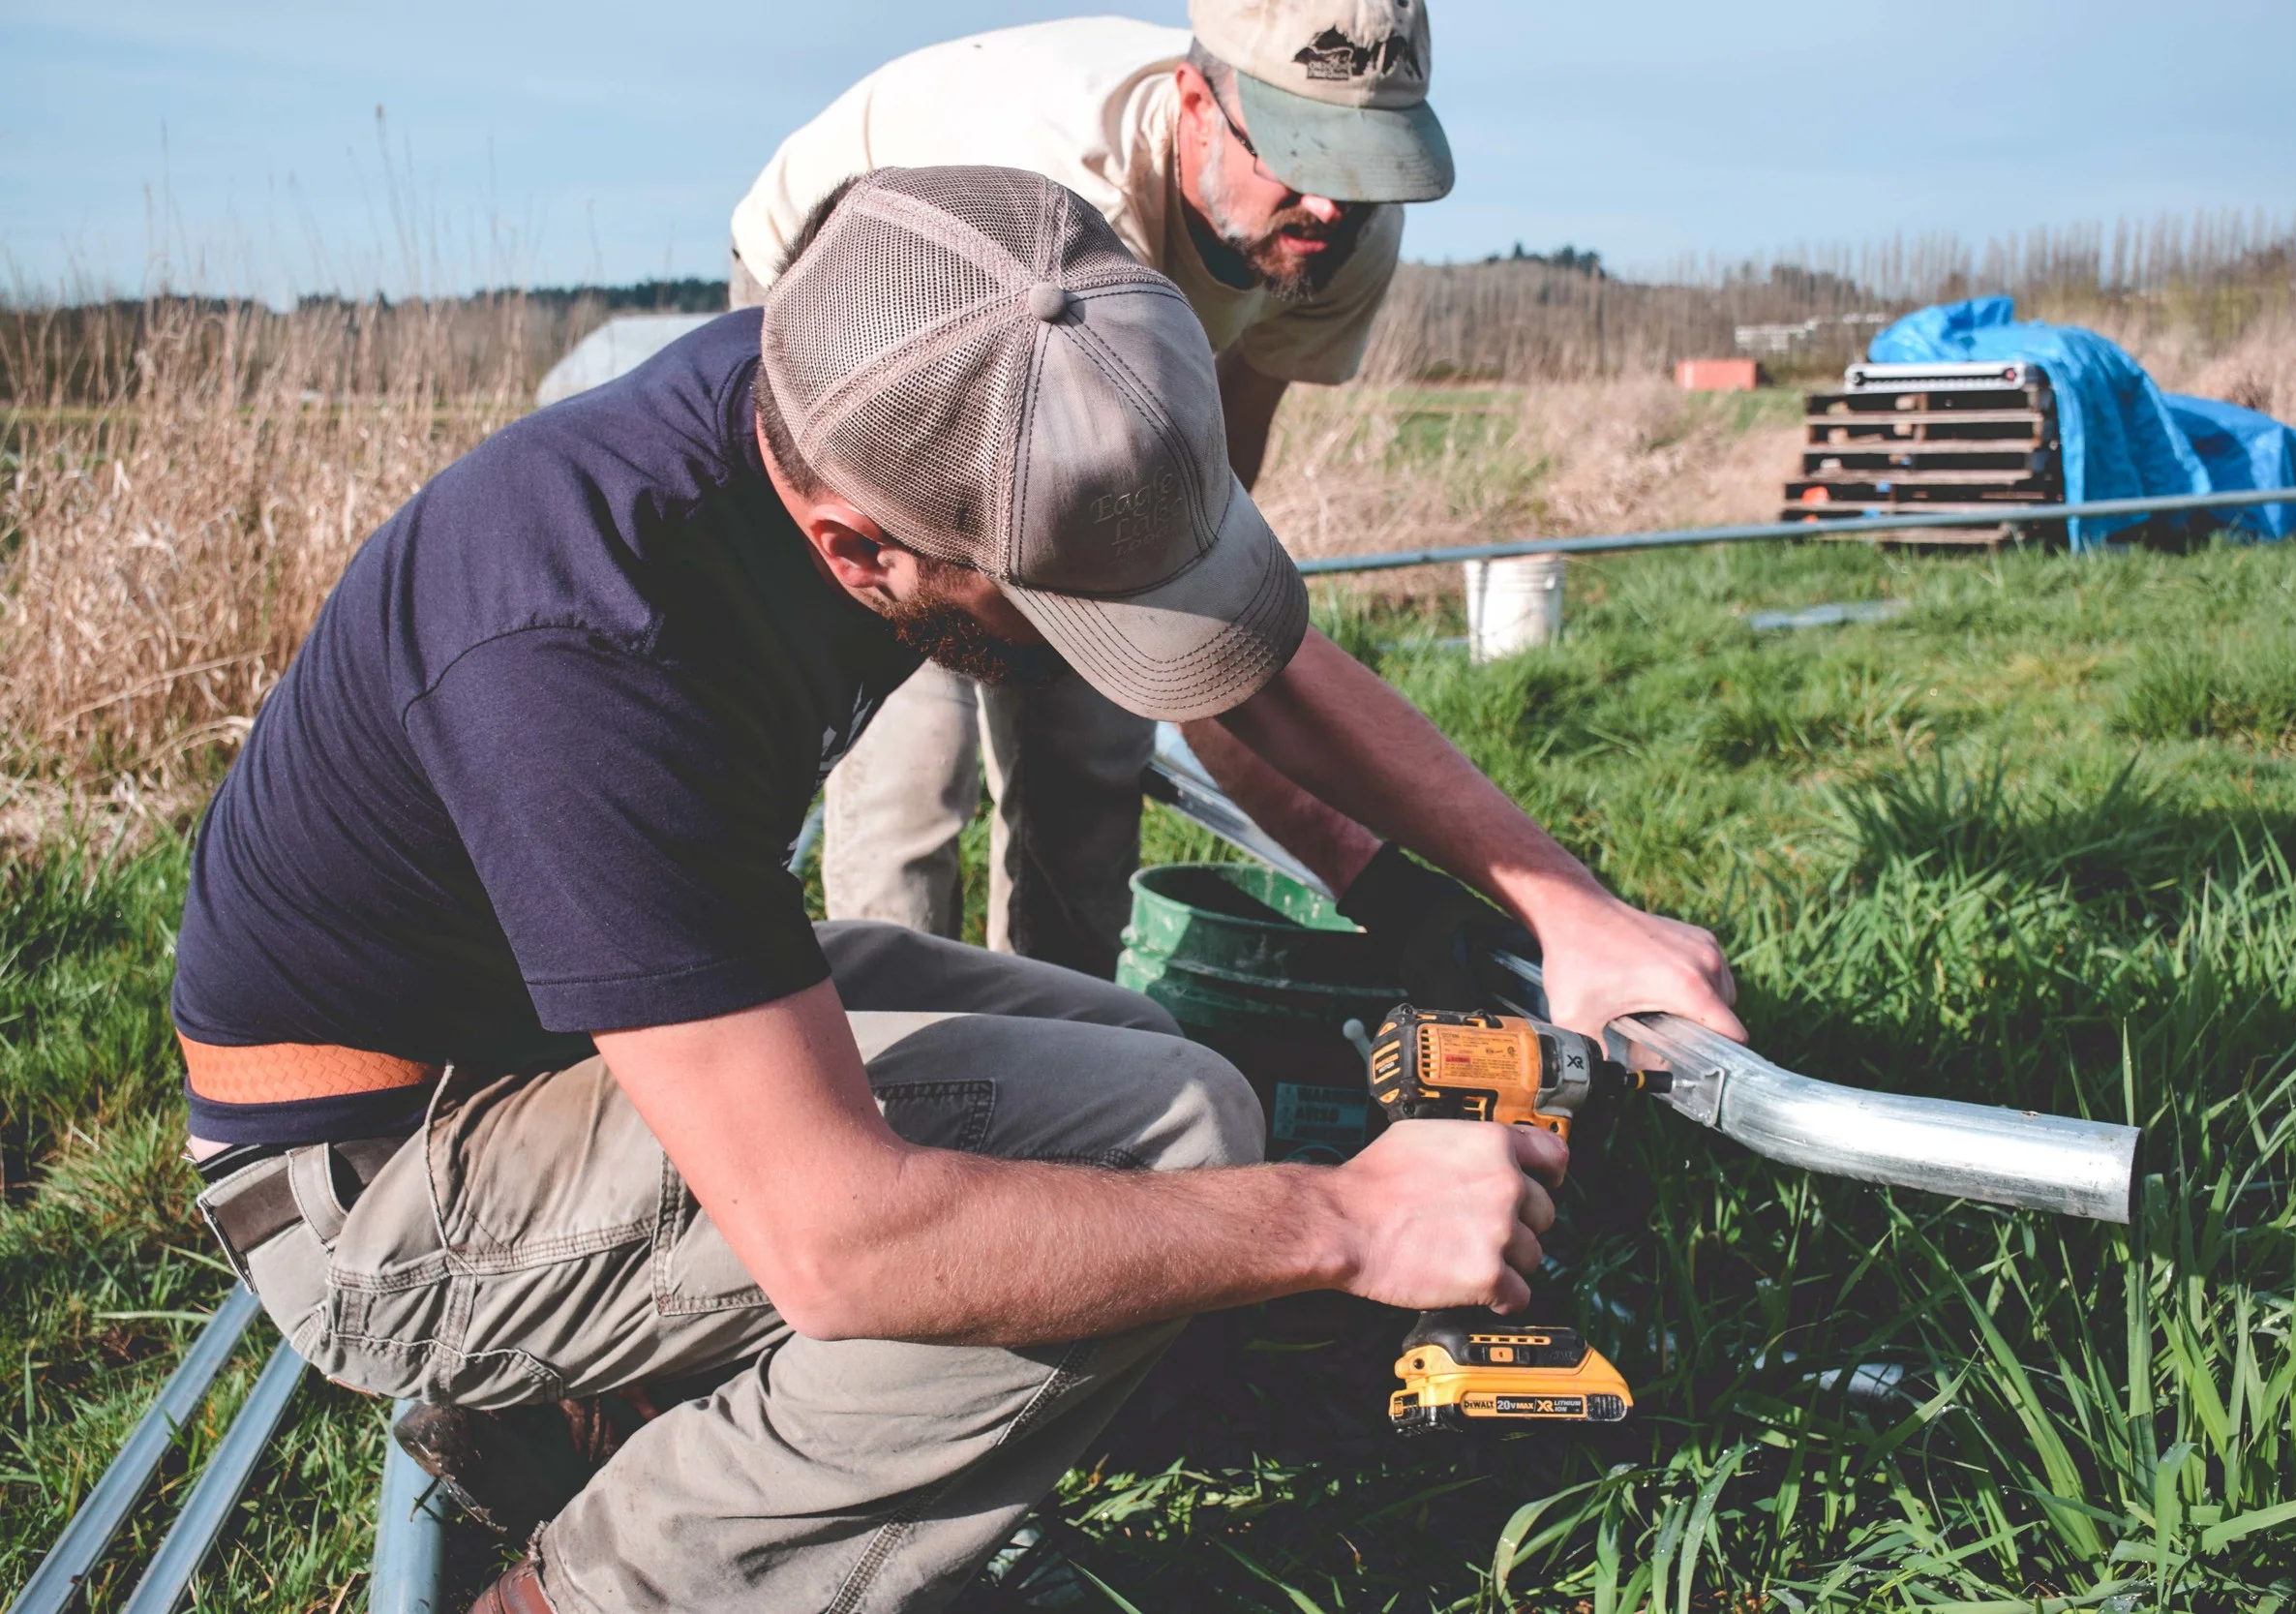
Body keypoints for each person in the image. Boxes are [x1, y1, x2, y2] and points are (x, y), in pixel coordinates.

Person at [176, 167, 1744, 1614]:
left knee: (1159, 1073)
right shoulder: (580, 645)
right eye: (1062, 611)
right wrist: (1349, 1223)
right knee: (1160, 1150)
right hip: (383, 1167)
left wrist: (1561, 905)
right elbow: (844, 1241)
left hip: (563, 1023)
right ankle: (581, 1587)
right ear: (861, 551)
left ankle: (616, 1402)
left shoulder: (898, 387)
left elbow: (1257, 670)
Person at [729, 0, 1454, 977]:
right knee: (915, 731)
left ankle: (1069, 1037)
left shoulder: (1341, 232)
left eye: (1363, 166)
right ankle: (906, 1042)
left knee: (1093, 740)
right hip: (875, 327)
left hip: (1070, 343)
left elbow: (1220, 473)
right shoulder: (1058, 190)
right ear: (1195, 103)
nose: (1332, 203)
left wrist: (1186, 613)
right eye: (1301, 155)